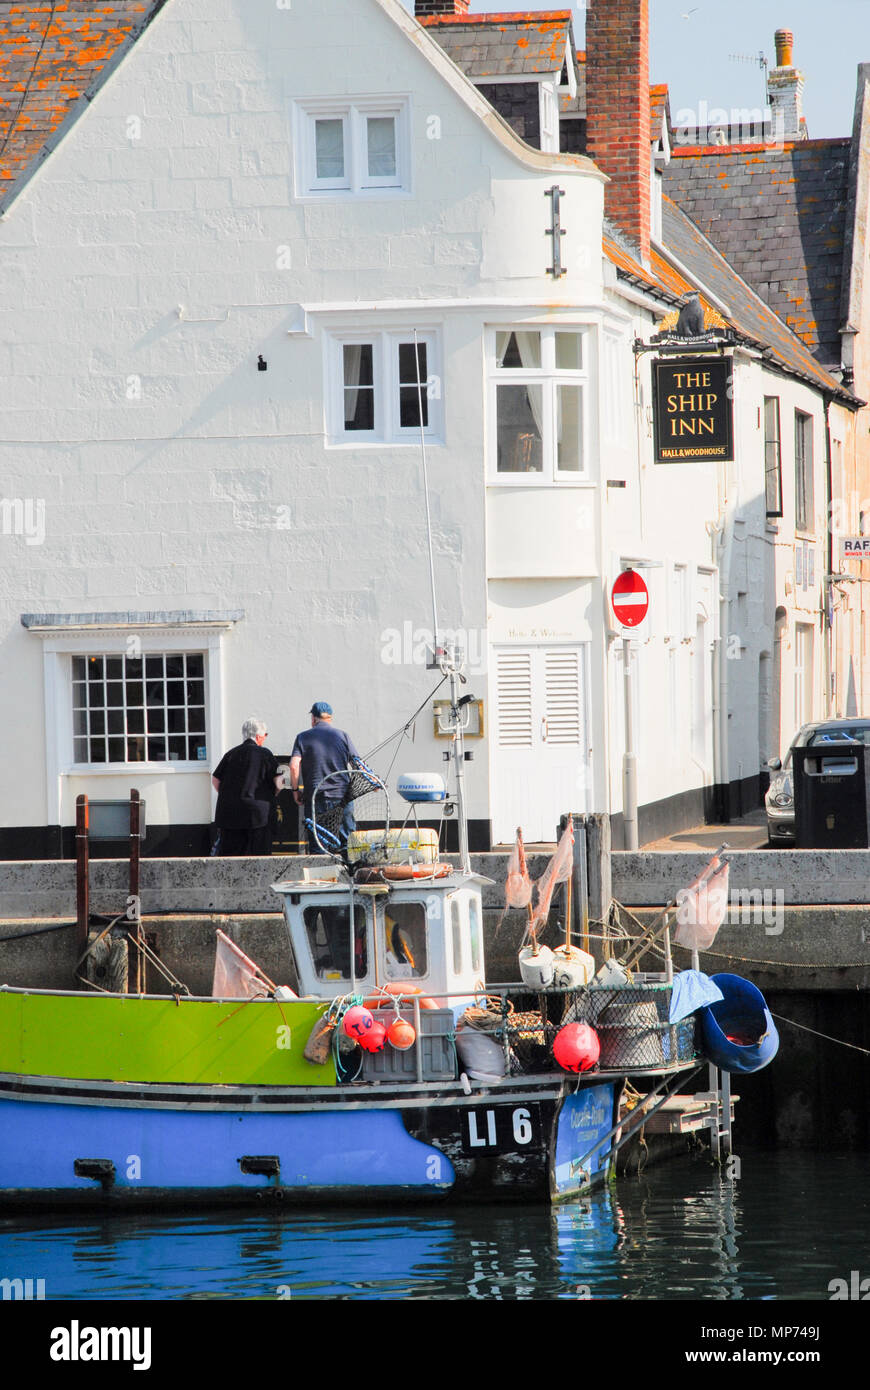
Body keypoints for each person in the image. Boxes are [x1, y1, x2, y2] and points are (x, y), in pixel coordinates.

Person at [290, 702, 361, 853]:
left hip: (317, 797)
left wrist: (295, 790)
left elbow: (294, 766)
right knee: (347, 844)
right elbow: (357, 764)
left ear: (314, 719)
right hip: (343, 797)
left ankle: (321, 875)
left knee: (319, 845)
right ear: (330, 718)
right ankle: (349, 875)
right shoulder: (343, 736)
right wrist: (372, 782)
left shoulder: (302, 738)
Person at [211, 718, 284, 856]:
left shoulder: (231, 754)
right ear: (258, 737)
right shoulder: (265, 754)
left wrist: (228, 794)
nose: (265, 739)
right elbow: (278, 782)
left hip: (230, 815)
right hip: (259, 816)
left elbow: (215, 780)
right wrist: (272, 794)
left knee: (231, 858)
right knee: (259, 857)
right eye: (265, 736)